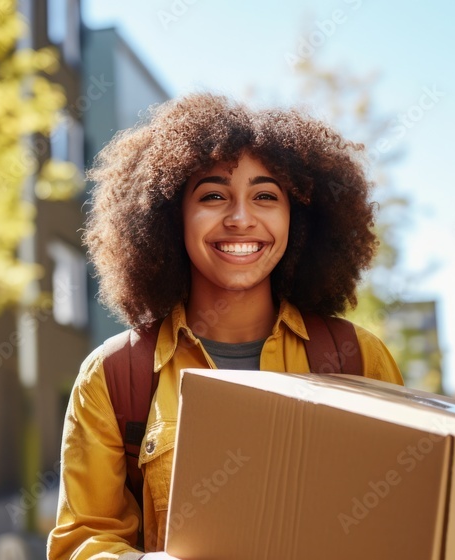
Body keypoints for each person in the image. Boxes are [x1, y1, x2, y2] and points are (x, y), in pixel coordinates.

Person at [46, 93, 404, 560]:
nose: (239, 218)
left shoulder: (359, 358)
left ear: (299, 220)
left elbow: (409, 514)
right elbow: (81, 538)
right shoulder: (115, 376)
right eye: (213, 196)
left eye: (265, 196)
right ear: (171, 215)